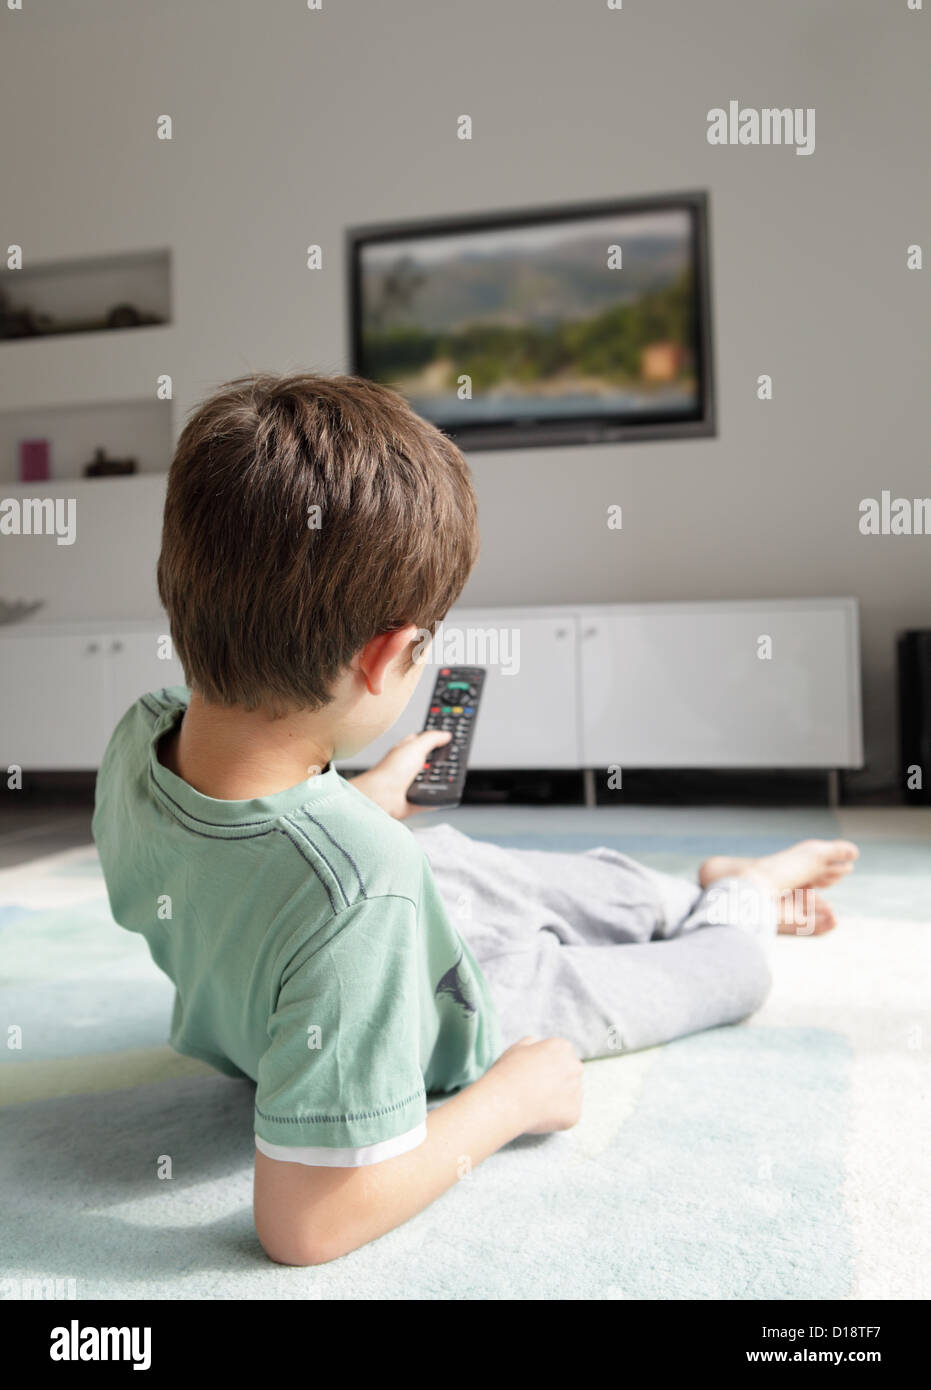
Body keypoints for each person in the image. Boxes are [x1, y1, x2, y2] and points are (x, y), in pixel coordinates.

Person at [92, 372, 858, 1266]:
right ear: (387, 659)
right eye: (425, 645)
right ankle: (745, 896)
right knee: (731, 971)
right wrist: (511, 1100)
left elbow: (246, 842)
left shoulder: (144, 729)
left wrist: (366, 796)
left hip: (356, 930)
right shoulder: (360, 881)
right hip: (466, 1011)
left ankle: (692, 886)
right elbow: (305, 1223)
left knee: (462, 862)